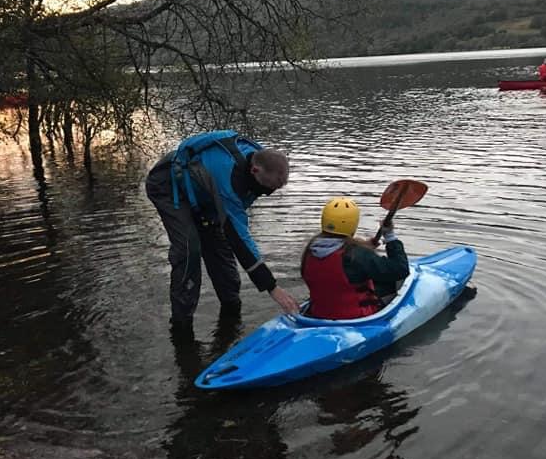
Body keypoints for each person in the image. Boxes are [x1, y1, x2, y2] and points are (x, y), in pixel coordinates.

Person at [145, 129, 300, 329]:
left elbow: (233, 229)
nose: (266, 193)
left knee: (221, 253)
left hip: (205, 198)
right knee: (189, 248)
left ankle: (231, 315)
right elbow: (239, 237)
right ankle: (181, 327)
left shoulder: (262, 162)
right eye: (266, 188)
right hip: (169, 186)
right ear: (255, 171)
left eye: (274, 190)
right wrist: (272, 287)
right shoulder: (229, 176)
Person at [300, 197, 410, 320]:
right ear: (353, 224)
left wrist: (364, 248)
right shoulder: (357, 255)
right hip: (355, 318)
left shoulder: (310, 250)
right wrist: (390, 237)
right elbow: (401, 269)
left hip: (318, 314)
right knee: (390, 283)